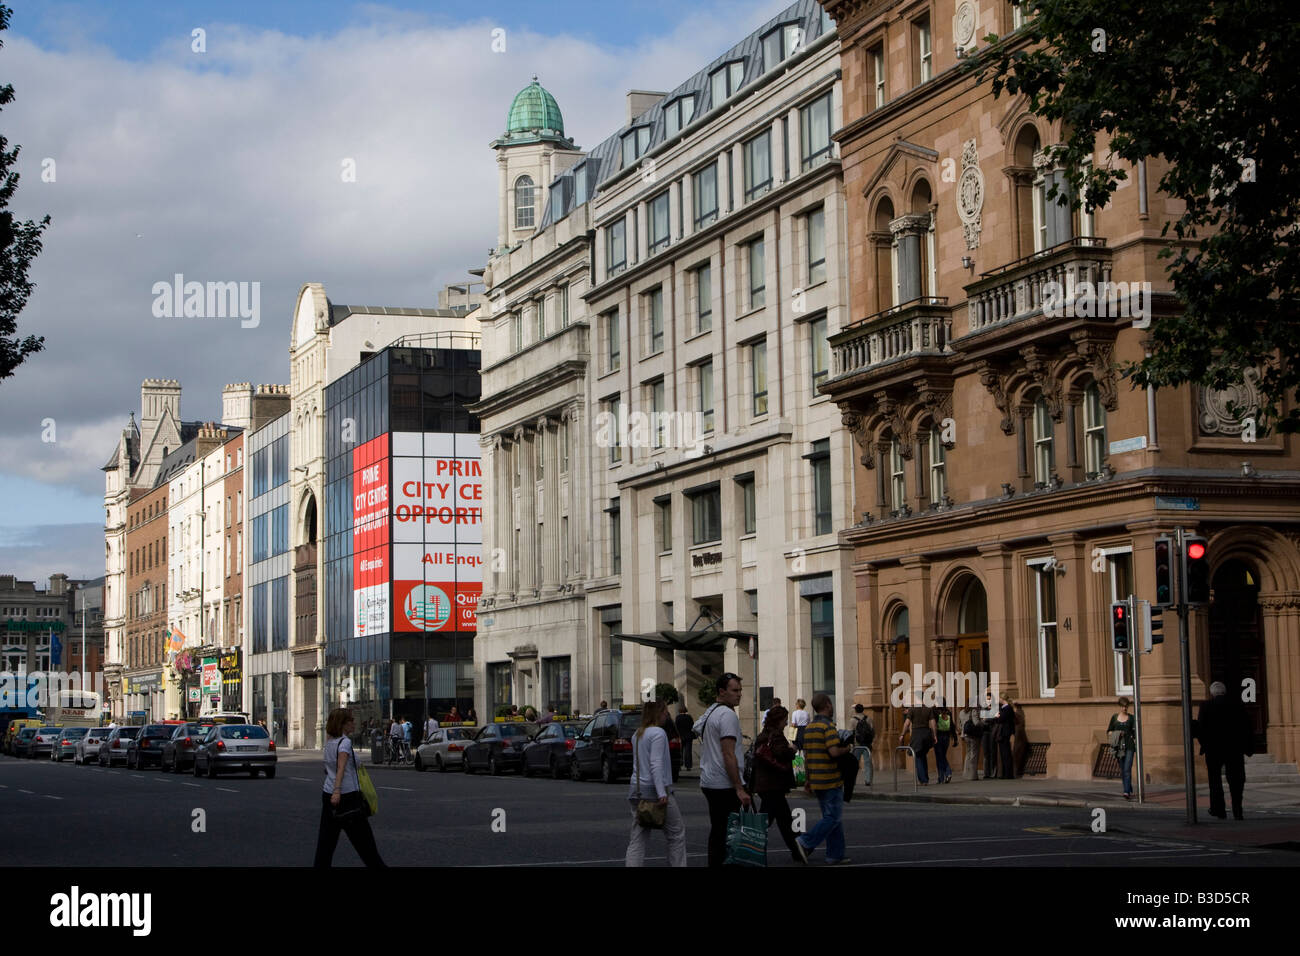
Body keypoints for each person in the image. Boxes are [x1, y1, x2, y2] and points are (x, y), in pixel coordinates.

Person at [693, 673, 752, 867]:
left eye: (740, 690)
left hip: (710, 781)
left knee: (718, 831)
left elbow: (696, 727)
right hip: (723, 783)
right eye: (735, 690)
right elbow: (729, 754)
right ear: (721, 692)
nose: (739, 695)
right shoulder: (727, 715)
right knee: (726, 834)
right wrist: (739, 787)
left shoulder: (711, 712)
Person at [314, 708, 385, 867]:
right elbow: (341, 767)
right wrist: (337, 790)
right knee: (367, 848)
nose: (354, 723)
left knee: (325, 846)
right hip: (346, 797)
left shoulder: (330, 742)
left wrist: (333, 790)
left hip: (328, 795)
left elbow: (328, 769)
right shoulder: (345, 742)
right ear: (343, 724)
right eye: (351, 720)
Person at [625, 700, 686, 866]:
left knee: (638, 837)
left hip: (636, 790)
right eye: (665, 712)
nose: (667, 715)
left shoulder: (637, 733)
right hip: (655, 791)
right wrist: (662, 792)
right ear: (658, 713)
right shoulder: (658, 733)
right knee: (676, 834)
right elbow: (656, 763)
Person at [796, 693, 849, 865]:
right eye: (831, 704)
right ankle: (805, 842)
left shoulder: (810, 727)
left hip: (816, 779)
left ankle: (835, 855)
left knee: (833, 818)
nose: (832, 706)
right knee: (832, 817)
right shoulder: (828, 726)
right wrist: (847, 749)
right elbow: (833, 752)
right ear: (827, 705)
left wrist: (808, 779)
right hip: (830, 778)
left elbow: (808, 755)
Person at [1194, 681, 1253, 820]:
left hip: (1213, 749)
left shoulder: (1206, 706)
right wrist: (1247, 746)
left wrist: (1205, 744)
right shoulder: (1237, 705)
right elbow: (1246, 727)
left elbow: (1201, 728)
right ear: (1224, 692)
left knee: (1214, 780)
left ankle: (1219, 809)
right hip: (1234, 748)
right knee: (1237, 780)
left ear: (1212, 693)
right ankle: (1237, 809)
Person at [751, 705, 802, 864]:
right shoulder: (776, 736)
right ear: (779, 720)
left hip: (765, 784)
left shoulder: (763, 734)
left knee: (784, 819)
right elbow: (781, 753)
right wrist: (792, 749)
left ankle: (798, 850)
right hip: (773, 784)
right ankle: (752, 849)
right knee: (769, 821)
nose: (786, 724)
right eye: (784, 720)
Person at [900, 696, 936, 785]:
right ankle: (925, 778)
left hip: (917, 734)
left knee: (918, 757)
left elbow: (907, 723)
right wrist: (935, 735)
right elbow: (933, 723)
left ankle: (923, 779)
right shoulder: (928, 709)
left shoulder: (912, 709)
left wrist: (902, 734)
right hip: (926, 733)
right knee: (923, 755)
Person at [1107, 697, 1137, 800]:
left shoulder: (1131, 718)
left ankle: (1126, 791)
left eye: (1126, 706)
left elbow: (1135, 733)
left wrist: (1134, 738)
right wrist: (1117, 734)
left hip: (1129, 746)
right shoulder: (1114, 718)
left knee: (1127, 769)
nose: (1125, 708)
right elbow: (1109, 731)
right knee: (1123, 769)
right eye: (1123, 706)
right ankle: (1128, 787)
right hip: (1119, 748)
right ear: (1119, 706)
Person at [850, 704, 874, 786]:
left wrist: (851, 744)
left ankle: (853, 780)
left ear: (855, 710)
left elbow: (851, 733)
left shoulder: (852, 720)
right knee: (868, 763)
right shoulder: (868, 719)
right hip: (867, 744)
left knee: (854, 763)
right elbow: (872, 731)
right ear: (863, 710)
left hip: (857, 744)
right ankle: (868, 780)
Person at [958, 703, 983, 781]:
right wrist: (982, 722)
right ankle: (973, 775)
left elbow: (960, 725)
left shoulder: (961, 712)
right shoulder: (973, 711)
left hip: (965, 735)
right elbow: (976, 723)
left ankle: (966, 774)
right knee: (974, 755)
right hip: (973, 735)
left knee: (968, 754)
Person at [934, 703, 956, 784]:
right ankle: (944, 776)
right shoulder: (948, 712)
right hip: (946, 737)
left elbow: (934, 725)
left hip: (938, 736)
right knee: (942, 756)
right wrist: (955, 738)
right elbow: (952, 726)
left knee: (939, 757)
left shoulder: (936, 712)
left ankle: (944, 775)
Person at [980, 690, 998, 780]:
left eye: (990, 699)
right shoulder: (983, 708)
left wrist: (988, 718)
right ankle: (986, 773)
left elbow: (994, 719)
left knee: (993, 752)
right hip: (985, 732)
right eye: (987, 699)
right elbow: (983, 721)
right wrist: (990, 718)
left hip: (993, 732)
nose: (988, 701)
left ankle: (993, 773)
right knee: (986, 753)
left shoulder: (995, 708)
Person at [996, 693, 1015, 779]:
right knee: (1003, 754)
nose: (998, 700)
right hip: (1003, 732)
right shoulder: (1004, 708)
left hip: (1005, 732)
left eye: (999, 698)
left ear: (1002, 699)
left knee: (1006, 753)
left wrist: (997, 716)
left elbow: (1000, 719)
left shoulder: (1007, 708)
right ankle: (1004, 773)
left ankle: (1008, 774)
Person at [674, 704, 695, 771]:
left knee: (680, 751)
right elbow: (692, 726)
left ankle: (679, 765)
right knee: (688, 751)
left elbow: (676, 727)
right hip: (688, 736)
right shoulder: (689, 717)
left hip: (680, 736)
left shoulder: (677, 718)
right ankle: (688, 766)